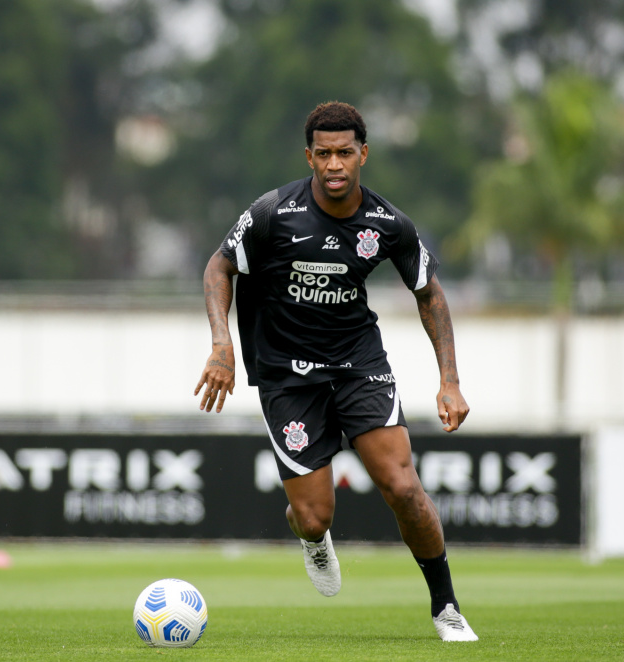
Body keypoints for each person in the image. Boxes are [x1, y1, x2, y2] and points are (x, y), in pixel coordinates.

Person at [194, 101, 477, 642]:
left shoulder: (388, 224)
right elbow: (219, 266)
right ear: (309, 156)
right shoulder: (273, 213)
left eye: (345, 152)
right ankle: (310, 535)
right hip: (286, 375)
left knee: (402, 484)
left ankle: (446, 607)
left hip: (358, 364)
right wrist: (221, 345)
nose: (334, 164)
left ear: (363, 154)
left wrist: (450, 380)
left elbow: (429, 294)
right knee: (315, 515)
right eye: (323, 154)